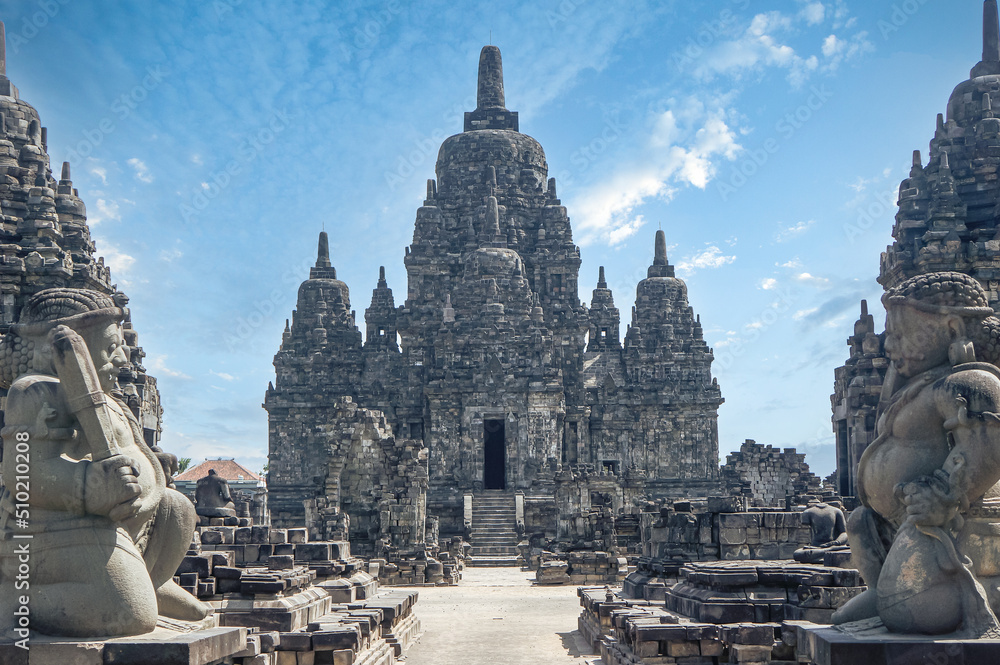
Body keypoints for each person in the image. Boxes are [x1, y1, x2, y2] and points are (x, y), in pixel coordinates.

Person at [0, 288, 209, 638]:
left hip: (124, 523)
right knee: (128, 614)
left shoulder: (112, 402)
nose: (123, 359)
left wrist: (150, 468)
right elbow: (23, 473)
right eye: (111, 347)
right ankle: (16, 600)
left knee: (177, 508)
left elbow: (131, 448)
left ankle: (149, 579)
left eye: (122, 347)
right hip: (56, 530)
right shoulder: (35, 393)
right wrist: (89, 485)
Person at [832, 272, 1000, 636]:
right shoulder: (921, 386)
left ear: (953, 329)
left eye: (900, 335)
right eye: (888, 335)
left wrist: (944, 497)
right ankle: (880, 587)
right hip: (893, 524)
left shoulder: (969, 384)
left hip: (943, 525)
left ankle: (930, 597)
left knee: (909, 614)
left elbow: (989, 448)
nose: (888, 346)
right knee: (859, 523)